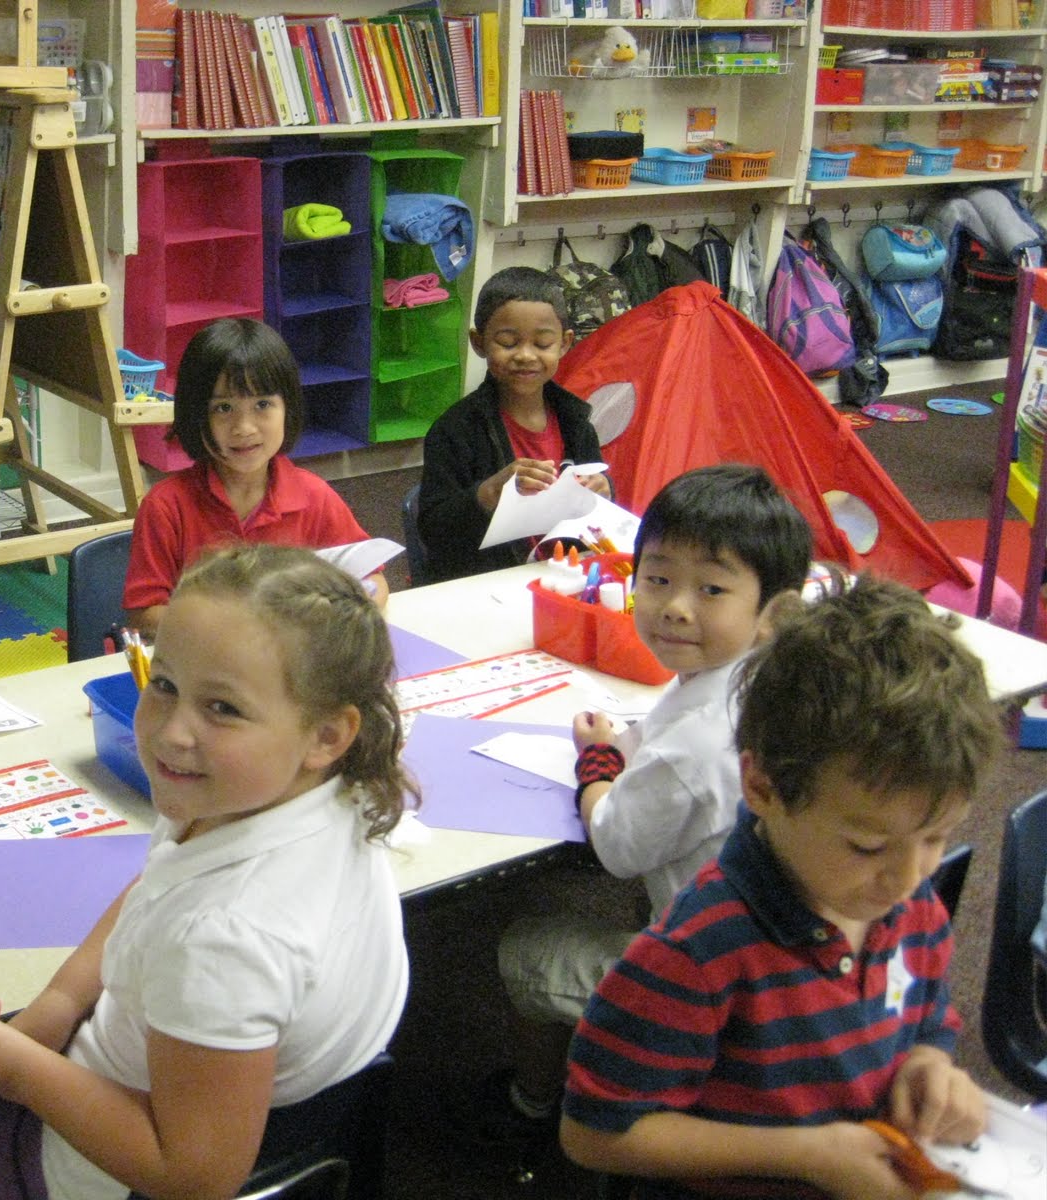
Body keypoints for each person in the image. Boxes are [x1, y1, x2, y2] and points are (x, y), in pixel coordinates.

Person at [0, 543, 413, 1200]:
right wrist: (60, 1002)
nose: (172, 732)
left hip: (102, 1165)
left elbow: (193, 1176)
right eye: (166, 684)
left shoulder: (224, 937)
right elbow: (161, 882)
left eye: (223, 708)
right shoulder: (302, 791)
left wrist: (14, 1068)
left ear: (326, 734)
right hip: (198, 1083)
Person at [562, 574, 1007, 1200]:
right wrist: (807, 1155)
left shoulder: (910, 904)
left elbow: (925, 1018)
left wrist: (929, 1064)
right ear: (764, 789)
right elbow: (594, 1132)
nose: (909, 877)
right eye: (868, 845)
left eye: (936, 837)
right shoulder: (697, 952)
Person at [474, 464, 813, 1150]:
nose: (674, 606)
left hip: (716, 991)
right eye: (656, 578)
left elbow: (617, 847)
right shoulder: (766, 682)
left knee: (523, 950)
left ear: (773, 614)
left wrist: (598, 766)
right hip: (781, 947)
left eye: (710, 589)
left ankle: (531, 1103)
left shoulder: (693, 749)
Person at [122, 318, 386, 639]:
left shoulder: (314, 496)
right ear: (195, 414)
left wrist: (356, 612)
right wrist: (235, 627)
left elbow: (372, 579)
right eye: (223, 408)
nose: (244, 428)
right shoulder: (166, 506)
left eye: (263, 404)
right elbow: (144, 613)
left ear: (288, 407)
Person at [417, 266, 611, 584]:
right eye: (508, 343)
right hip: (489, 582)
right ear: (479, 342)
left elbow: (598, 510)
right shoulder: (455, 430)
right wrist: (489, 493)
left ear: (564, 343)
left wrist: (604, 490)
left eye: (542, 344)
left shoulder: (576, 423)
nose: (525, 355)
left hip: (565, 575)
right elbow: (434, 530)